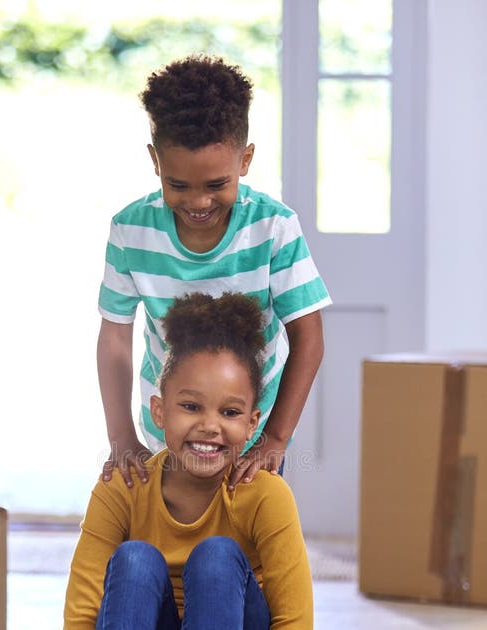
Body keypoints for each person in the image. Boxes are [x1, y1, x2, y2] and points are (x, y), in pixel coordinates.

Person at [64, 292, 313, 630]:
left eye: (230, 411)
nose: (208, 425)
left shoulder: (266, 495)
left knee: (218, 556)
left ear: (252, 423)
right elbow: (82, 615)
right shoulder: (122, 487)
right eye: (190, 406)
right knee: (134, 558)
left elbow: (295, 624)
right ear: (159, 411)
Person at [97, 55, 331, 492]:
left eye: (216, 185)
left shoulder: (273, 228)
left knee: (242, 551)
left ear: (245, 160)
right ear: (156, 162)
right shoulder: (131, 230)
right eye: (179, 185)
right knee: (171, 544)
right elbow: (114, 337)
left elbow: (309, 337)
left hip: (252, 439)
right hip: (165, 433)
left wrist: (275, 439)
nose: (198, 202)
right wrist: (121, 436)